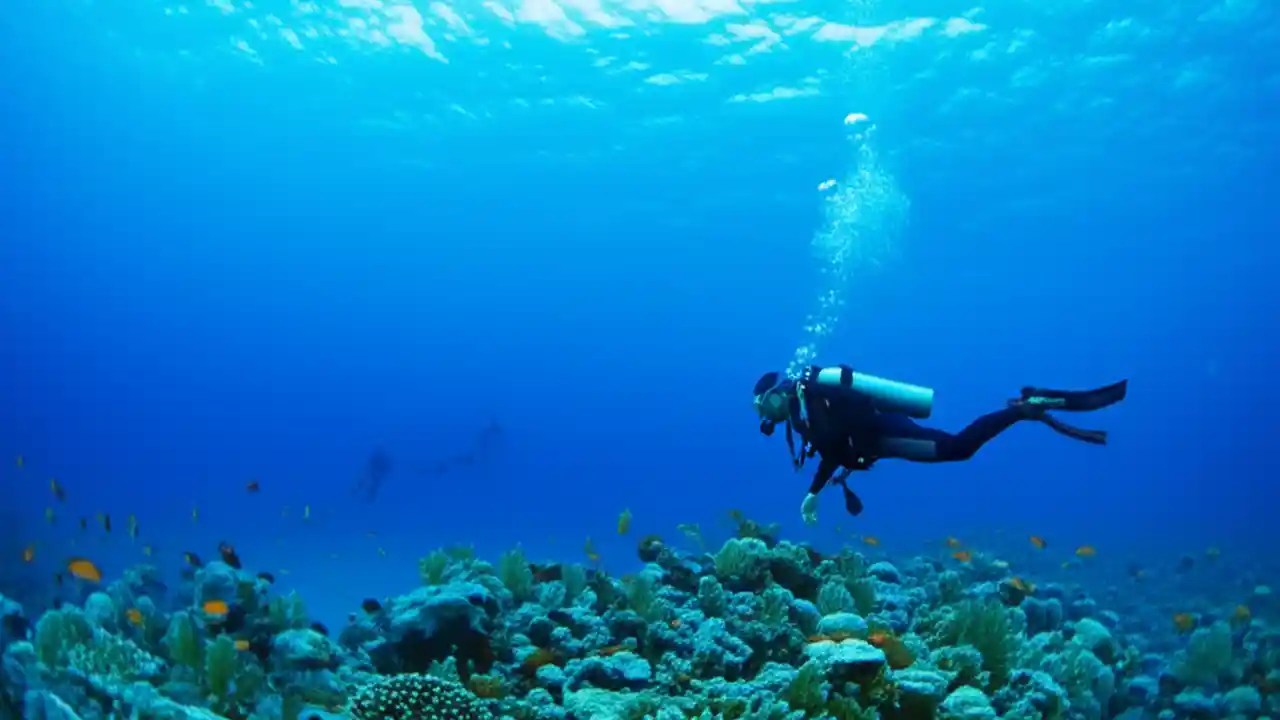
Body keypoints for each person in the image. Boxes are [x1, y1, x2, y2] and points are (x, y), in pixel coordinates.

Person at [752, 365, 1128, 524]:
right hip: (880, 441)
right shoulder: (802, 412)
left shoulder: (810, 398)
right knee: (957, 449)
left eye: (763, 406)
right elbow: (833, 447)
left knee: (958, 448)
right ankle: (1022, 409)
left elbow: (834, 443)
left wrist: (815, 489)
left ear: (775, 394)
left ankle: (1022, 408)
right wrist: (814, 492)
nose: (765, 415)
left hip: (885, 434)